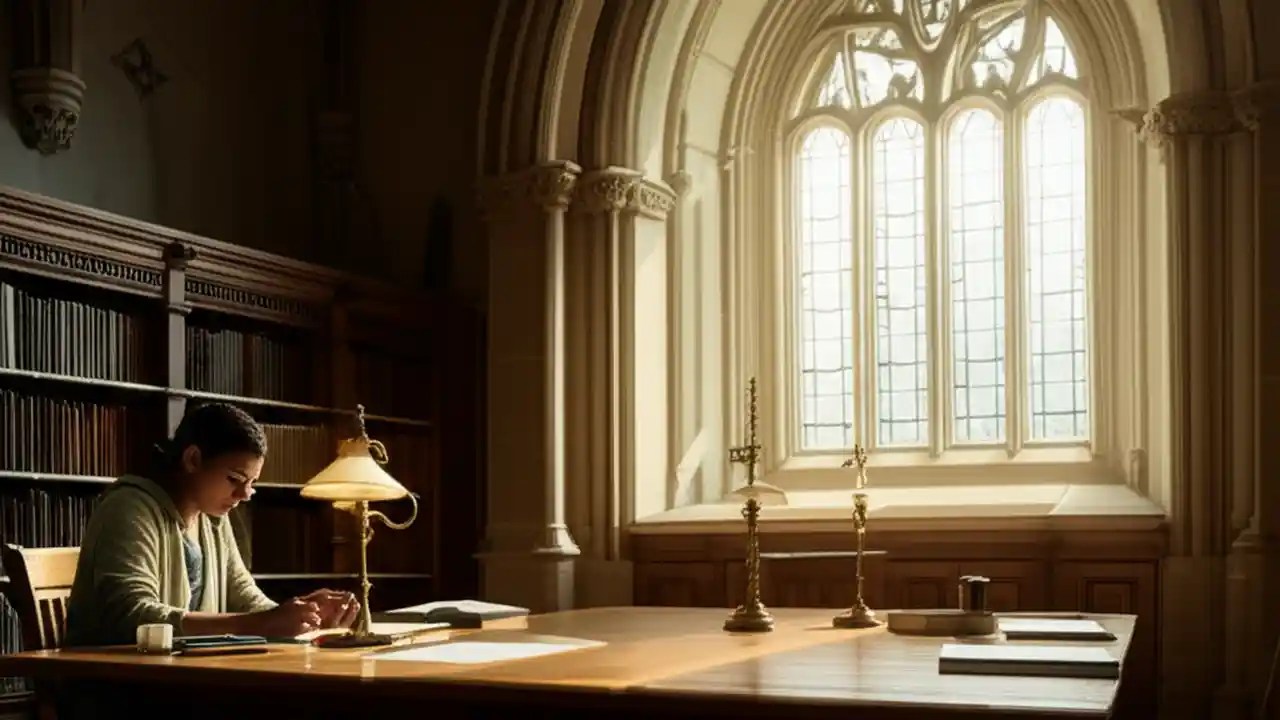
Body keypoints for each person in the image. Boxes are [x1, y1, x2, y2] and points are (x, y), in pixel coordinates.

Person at [65, 402, 359, 647]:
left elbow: (243, 598)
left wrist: (303, 615)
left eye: (251, 484)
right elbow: (130, 616)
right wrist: (261, 623)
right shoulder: (129, 508)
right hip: (117, 686)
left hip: (183, 679)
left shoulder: (213, 518)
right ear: (193, 459)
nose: (244, 495)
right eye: (234, 479)